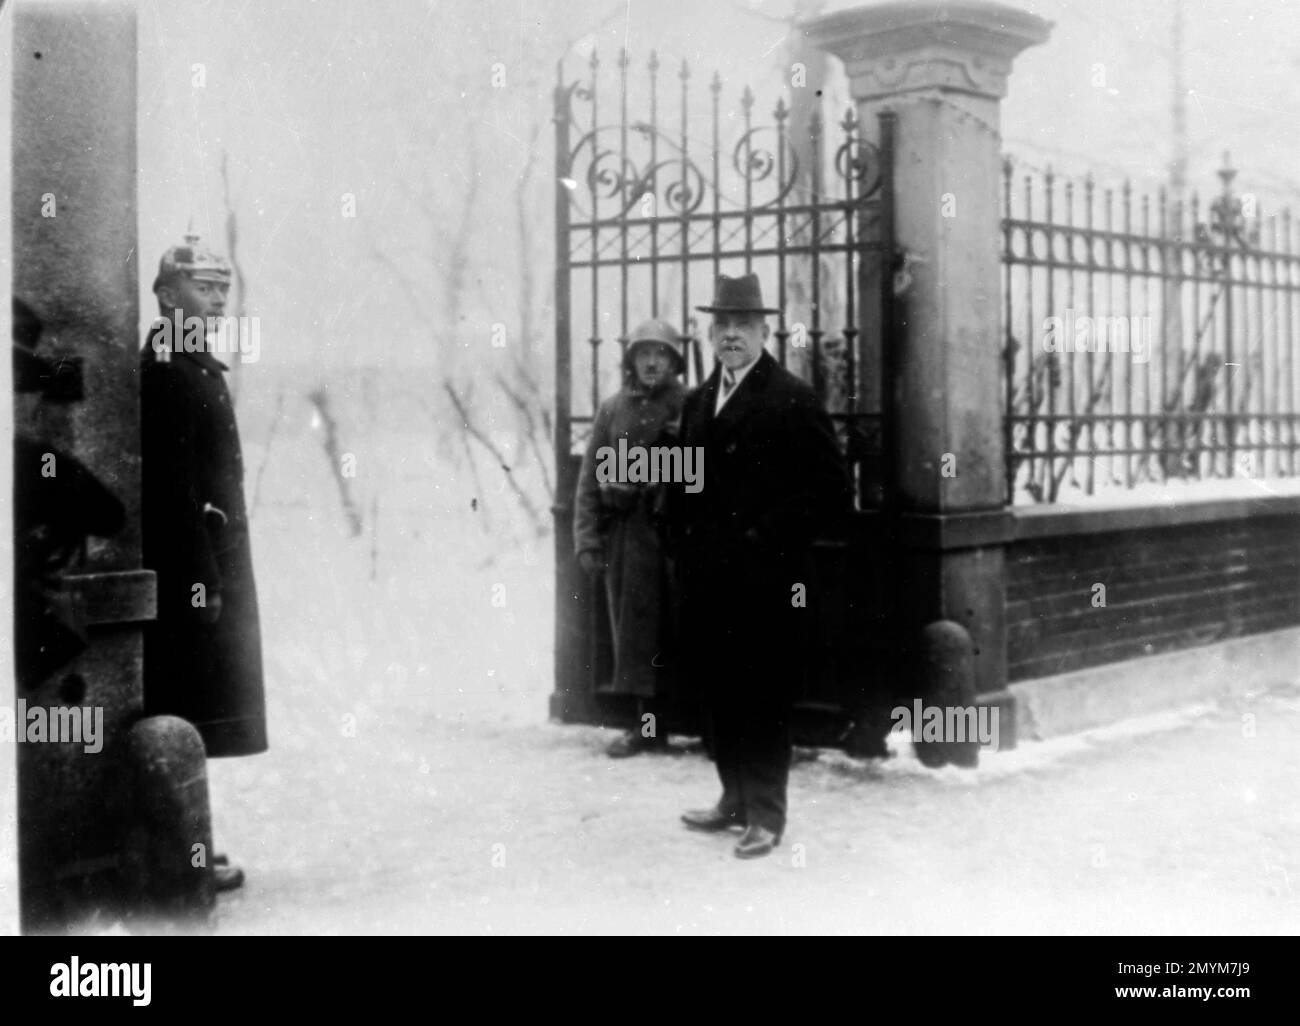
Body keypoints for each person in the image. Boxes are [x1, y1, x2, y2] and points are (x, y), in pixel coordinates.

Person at [670, 274, 850, 858]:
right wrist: (677, 540)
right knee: (718, 691)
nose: (730, 335)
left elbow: (830, 491)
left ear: (764, 332)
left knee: (763, 695)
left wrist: (762, 536)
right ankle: (734, 798)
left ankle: (766, 815)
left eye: (742, 326)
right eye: (721, 325)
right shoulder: (698, 401)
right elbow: (682, 482)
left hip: (768, 579)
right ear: (710, 333)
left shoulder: (792, 398)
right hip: (707, 578)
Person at [139, 233, 267, 892]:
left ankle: (195, 847)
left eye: (222, 287)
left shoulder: (194, 362)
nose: (217, 299)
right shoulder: (168, 368)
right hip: (192, 573)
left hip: (210, 566)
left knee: (196, 712)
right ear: (166, 295)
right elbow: (174, 489)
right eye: (202, 286)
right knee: (182, 711)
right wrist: (201, 581)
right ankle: (185, 854)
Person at [573, 318, 686, 757]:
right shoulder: (612, 410)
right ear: (631, 361)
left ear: (674, 361)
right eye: (644, 353)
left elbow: (704, 472)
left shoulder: (689, 404)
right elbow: (589, 480)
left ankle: (702, 726)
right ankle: (647, 727)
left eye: (660, 354)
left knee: (680, 633)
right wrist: (587, 539)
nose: (652, 362)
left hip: (675, 536)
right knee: (636, 639)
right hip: (627, 538)